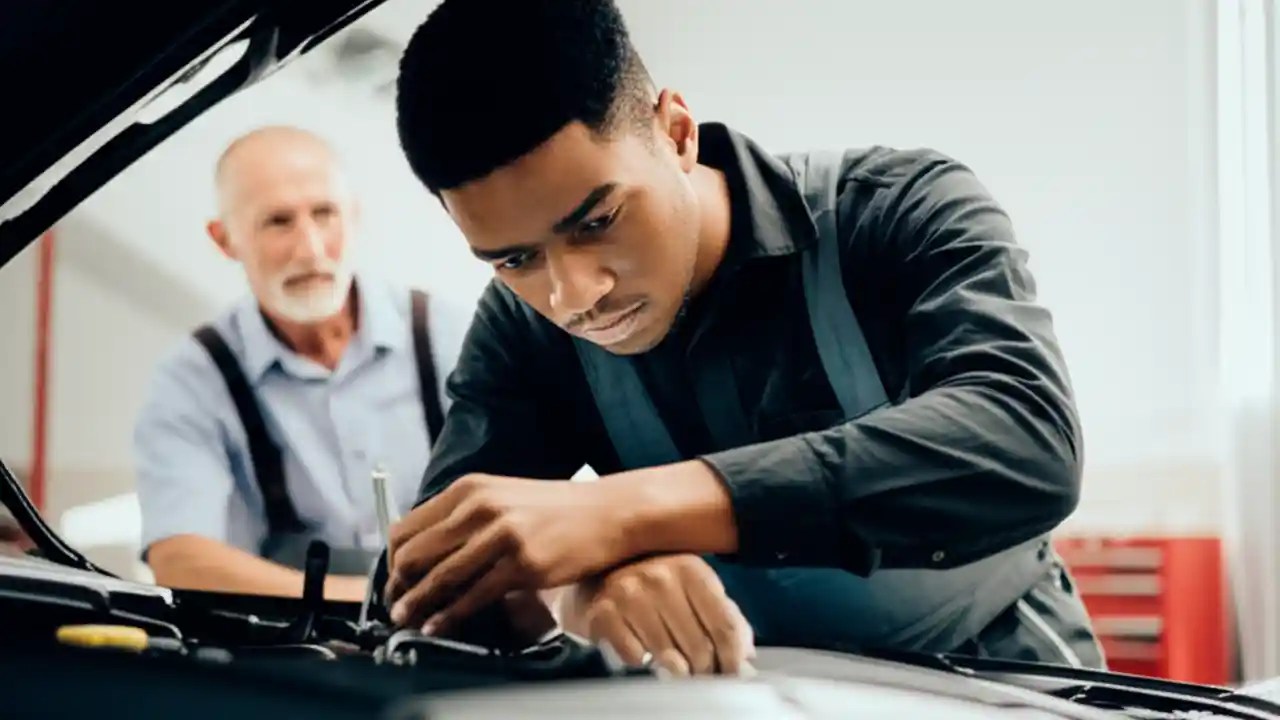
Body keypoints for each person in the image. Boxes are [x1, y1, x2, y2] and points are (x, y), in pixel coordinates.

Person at [383, 0, 1104, 675]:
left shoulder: (899, 210)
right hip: (746, 690)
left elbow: (1026, 435)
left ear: (676, 133)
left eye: (596, 222)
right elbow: (430, 583)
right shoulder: (524, 330)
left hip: (998, 671)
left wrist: (622, 516)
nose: (573, 296)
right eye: (515, 259)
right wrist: (589, 589)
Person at [133, 126, 466, 602]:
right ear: (224, 239)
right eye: (278, 222)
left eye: (325, 214)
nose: (310, 249)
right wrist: (375, 604)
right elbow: (181, 559)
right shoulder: (192, 379)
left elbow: (525, 505)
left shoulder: (450, 336)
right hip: (289, 652)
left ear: (354, 215)